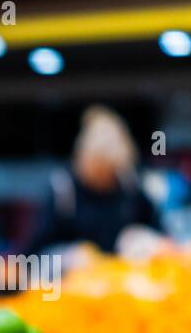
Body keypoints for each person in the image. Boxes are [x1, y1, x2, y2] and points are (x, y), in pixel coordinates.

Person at [30, 105, 161, 255]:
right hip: (74, 276)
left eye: (110, 171)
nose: (104, 179)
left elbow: (161, 235)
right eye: (98, 171)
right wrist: (67, 255)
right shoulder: (63, 190)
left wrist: (146, 241)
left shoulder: (130, 187)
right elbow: (35, 252)